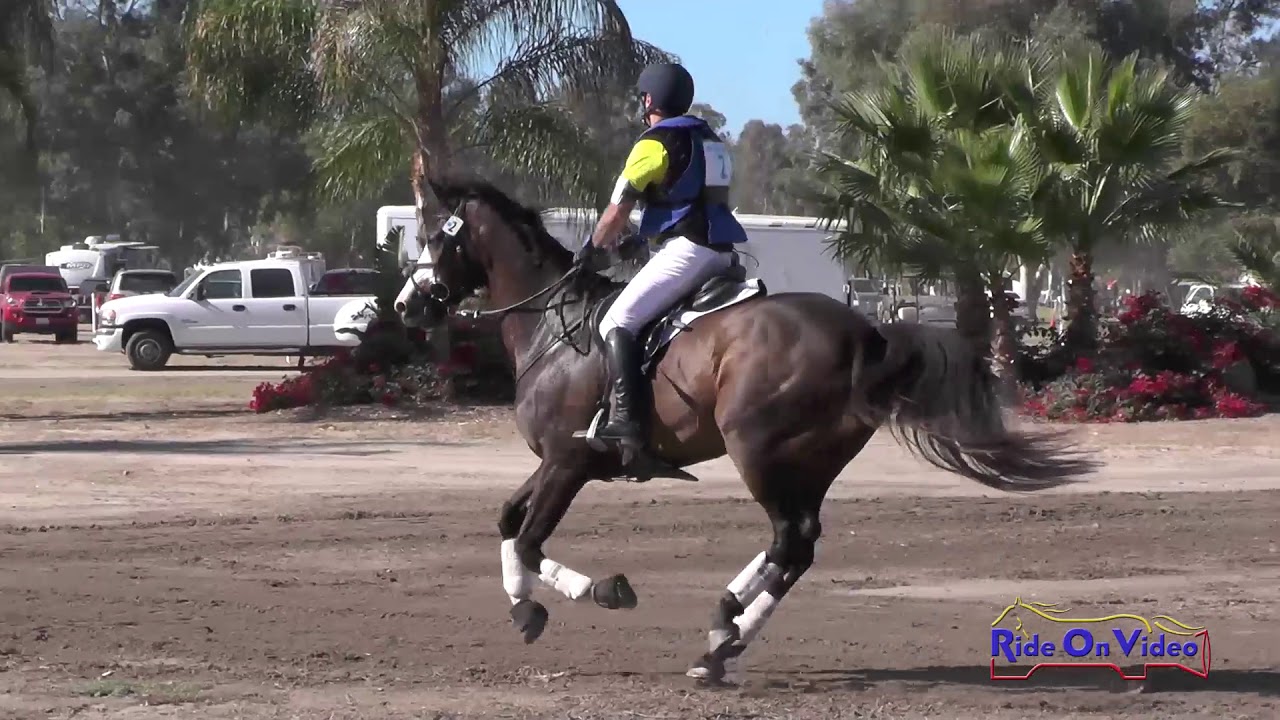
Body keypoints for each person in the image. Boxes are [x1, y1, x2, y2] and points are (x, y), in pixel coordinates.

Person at [578, 62, 749, 458]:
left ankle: (627, 422)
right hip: (722, 253)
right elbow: (693, 198)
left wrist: (593, 248)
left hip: (688, 251)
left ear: (650, 99)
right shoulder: (714, 141)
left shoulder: (653, 143)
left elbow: (617, 211)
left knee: (616, 320)